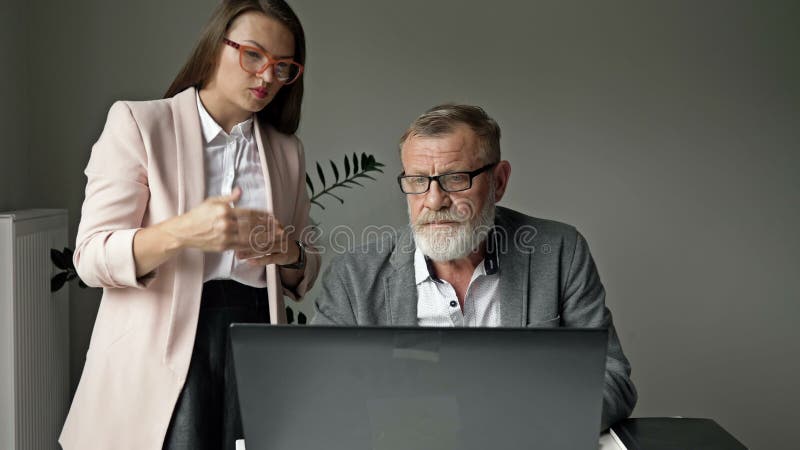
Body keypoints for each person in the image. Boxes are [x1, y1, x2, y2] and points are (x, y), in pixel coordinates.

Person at [59, 1, 319, 449]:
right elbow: (91, 257)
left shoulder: (286, 151)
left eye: (283, 67)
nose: (266, 76)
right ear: (215, 47)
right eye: (253, 55)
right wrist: (181, 232)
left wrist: (290, 254)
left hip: (253, 344)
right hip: (157, 350)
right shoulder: (140, 124)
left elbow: (304, 268)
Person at [312, 103, 637, 430]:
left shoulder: (560, 252)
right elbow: (322, 389)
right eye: (418, 180)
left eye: (455, 179)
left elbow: (610, 377)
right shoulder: (352, 276)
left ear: (499, 181)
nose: (434, 201)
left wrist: (529, 424)